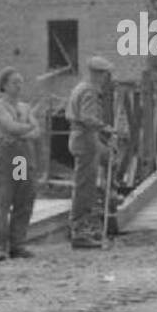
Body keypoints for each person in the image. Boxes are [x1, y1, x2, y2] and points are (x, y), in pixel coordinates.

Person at [0, 67, 40, 264]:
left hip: (21, 156)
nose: (19, 86)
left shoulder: (25, 107)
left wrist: (23, 130)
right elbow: (10, 127)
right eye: (14, 82)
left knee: (23, 197)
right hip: (5, 156)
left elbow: (36, 132)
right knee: (3, 199)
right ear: (4, 85)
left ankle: (17, 244)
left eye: (21, 82)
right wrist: (26, 128)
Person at [67, 56, 116, 248]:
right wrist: (105, 128)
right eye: (105, 74)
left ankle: (83, 225)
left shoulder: (79, 87)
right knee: (85, 186)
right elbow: (88, 117)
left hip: (80, 137)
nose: (106, 78)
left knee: (85, 182)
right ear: (99, 74)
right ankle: (80, 230)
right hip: (85, 138)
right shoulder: (89, 90)